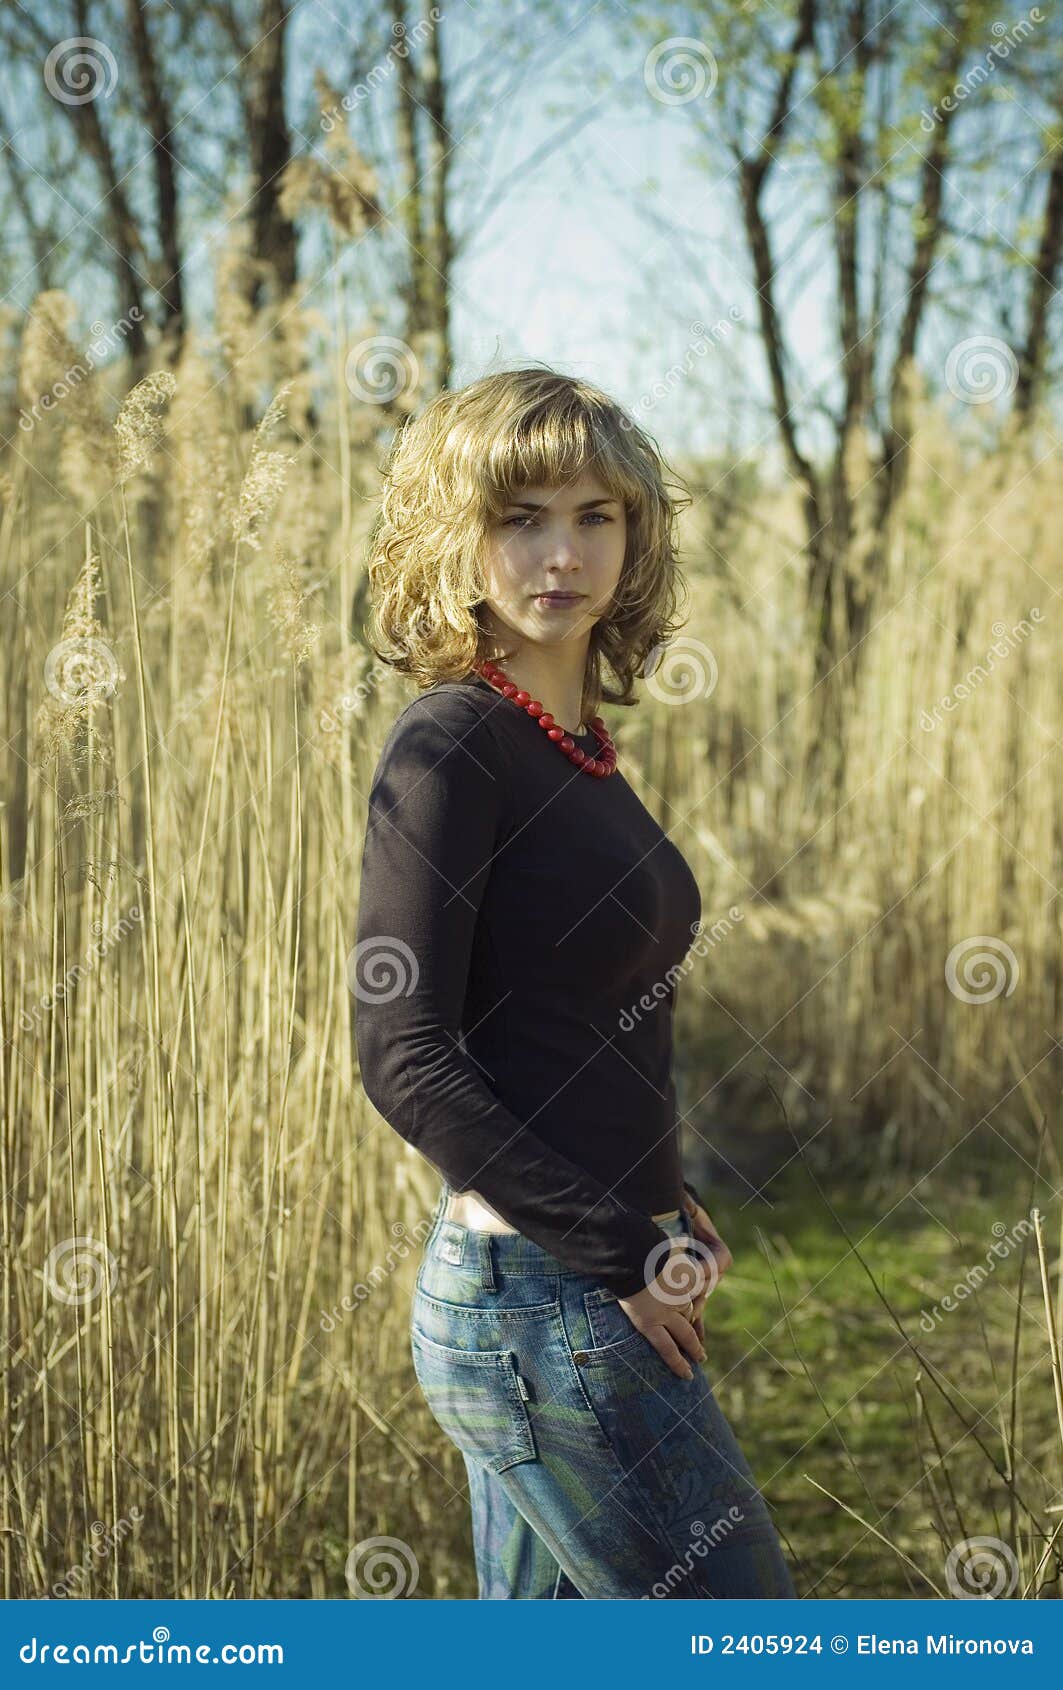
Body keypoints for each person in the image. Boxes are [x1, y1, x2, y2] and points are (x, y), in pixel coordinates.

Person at [351, 365, 797, 1600]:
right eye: (521, 516)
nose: (564, 552)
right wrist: (617, 1248)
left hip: (584, 1267)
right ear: (460, 536)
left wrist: (664, 1197)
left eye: (595, 515)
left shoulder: (578, 747)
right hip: (538, 1304)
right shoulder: (450, 743)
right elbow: (403, 1054)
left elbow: (566, 1021)